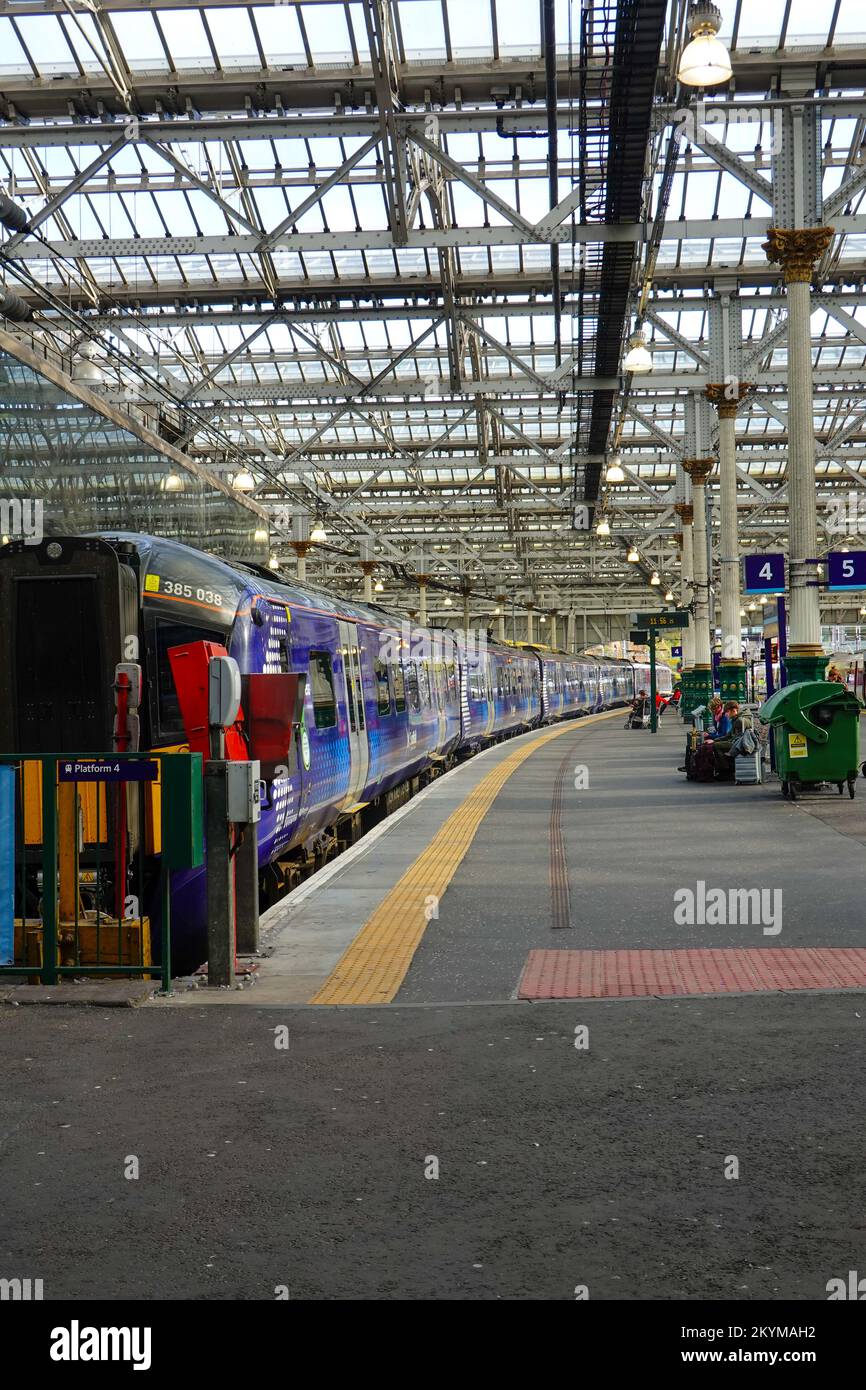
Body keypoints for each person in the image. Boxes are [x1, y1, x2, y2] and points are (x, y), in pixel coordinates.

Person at [705, 700, 740, 776]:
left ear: (733, 711)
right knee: (712, 744)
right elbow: (728, 735)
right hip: (733, 740)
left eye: (727, 712)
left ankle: (724, 770)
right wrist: (713, 739)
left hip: (735, 743)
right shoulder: (732, 719)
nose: (727, 714)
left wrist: (713, 739)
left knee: (716, 746)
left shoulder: (736, 720)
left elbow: (726, 734)